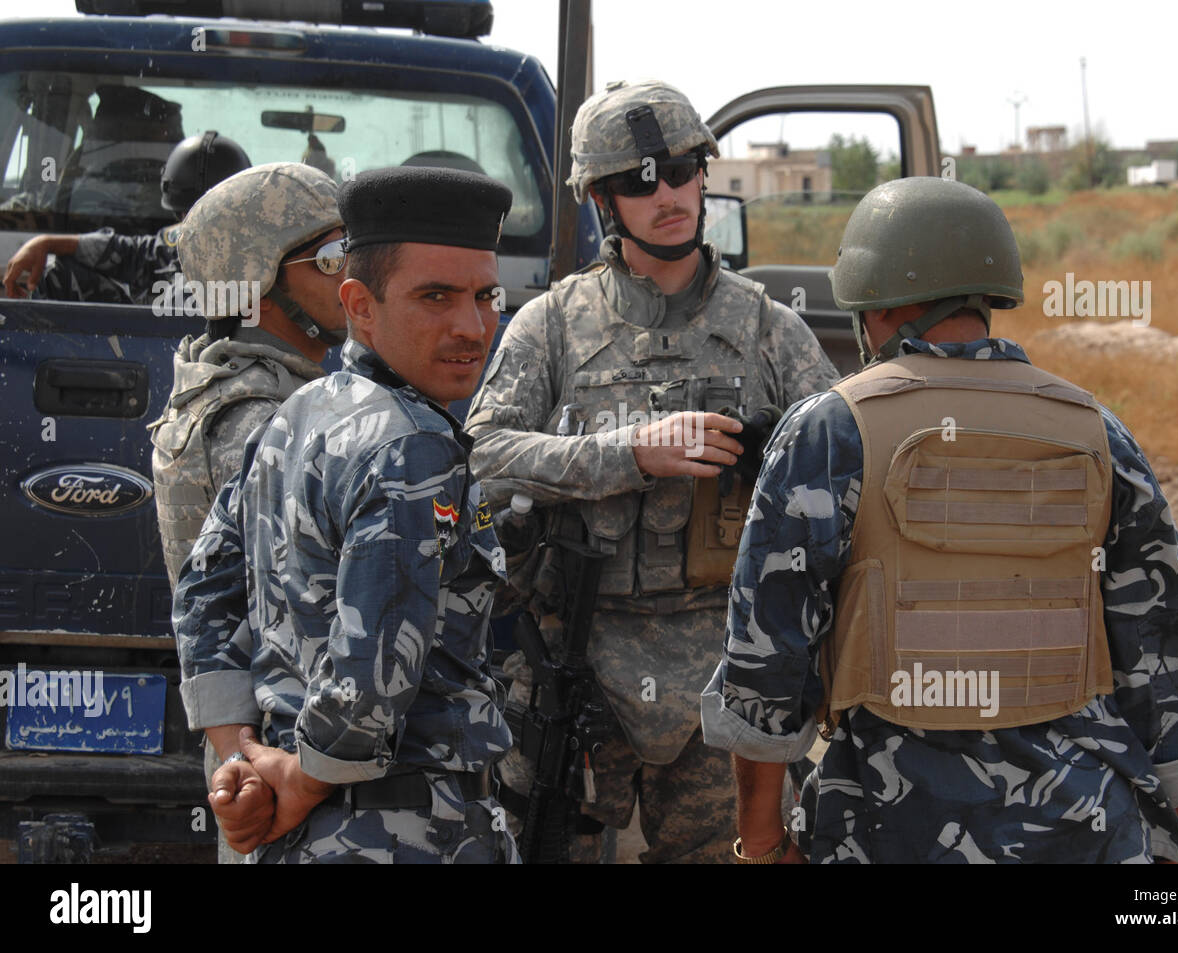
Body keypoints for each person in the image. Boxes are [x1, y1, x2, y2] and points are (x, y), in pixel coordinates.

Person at [701, 177, 1178, 864]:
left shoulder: (829, 432)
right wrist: (1162, 832)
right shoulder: (1097, 432)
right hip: (1085, 824)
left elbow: (766, 665)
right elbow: (1166, 658)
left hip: (887, 826)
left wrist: (762, 844)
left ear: (874, 307)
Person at [463, 79, 839, 863]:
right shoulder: (554, 325)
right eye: (638, 180)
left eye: (679, 169)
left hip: (727, 673)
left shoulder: (771, 331)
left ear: (705, 173)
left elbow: (844, 482)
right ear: (603, 200)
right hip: (577, 667)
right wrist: (626, 453)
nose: (665, 192)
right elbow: (485, 454)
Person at [174, 165, 519, 864]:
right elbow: (373, 665)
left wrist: (240, 761)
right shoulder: (413, 443)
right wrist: (298, 783)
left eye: (486, 296)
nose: (472, 325)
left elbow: (202, 591)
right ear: (359, 304)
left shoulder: (297, 413)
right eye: (435, 297)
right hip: (400, 833)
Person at [149, 161, 347, 862]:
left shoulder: (215, 387)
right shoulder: (260, 422)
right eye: (330, 257)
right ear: (260, 283)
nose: (350, 276)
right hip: (284, 760)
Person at [2, 131, 250, 304]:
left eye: (209, 213)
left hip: (227, 369)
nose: (197, 224)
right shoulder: (177, 246)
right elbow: (132, 252)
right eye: (189, 214)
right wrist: (45, 242)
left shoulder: (268, 261)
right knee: (58, 272)